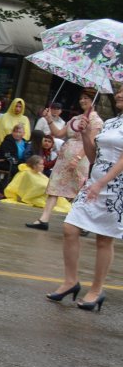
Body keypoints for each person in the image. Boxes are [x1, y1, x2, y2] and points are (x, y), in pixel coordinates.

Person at [47, 85, 123, 312]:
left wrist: (102, 182)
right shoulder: (110, 123)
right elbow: (93, 156)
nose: (119, 94)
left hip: (115, 187)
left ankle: (96, 290)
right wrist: (86, 134)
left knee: (104, 239)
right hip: (94, 182)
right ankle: (71, 281)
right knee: (70, 228)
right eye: (118, 91)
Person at [27, 91, 102, 231]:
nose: (82, 100)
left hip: (81, 159)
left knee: (79, 190)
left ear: (94, 101)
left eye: (86, 98)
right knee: (54, 187)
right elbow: (59, 133)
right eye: (81, 98)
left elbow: (90, 143)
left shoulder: (96, 121)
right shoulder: (76, 118)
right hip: (64, 158)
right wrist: (49, 119)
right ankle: (44, 219)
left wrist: (78, 158)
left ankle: (83, 223)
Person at [0, 123, 32, 194]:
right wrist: (18, 163)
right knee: (17, 170)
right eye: (15, 132)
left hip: (18, 163)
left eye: (19, 132)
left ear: (23, 134)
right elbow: (7, 155)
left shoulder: (25, 143)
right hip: (3, 162)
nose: (17, 134)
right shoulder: (8, 140)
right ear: (12, 132)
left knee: (28, 171)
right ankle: (5, 190)